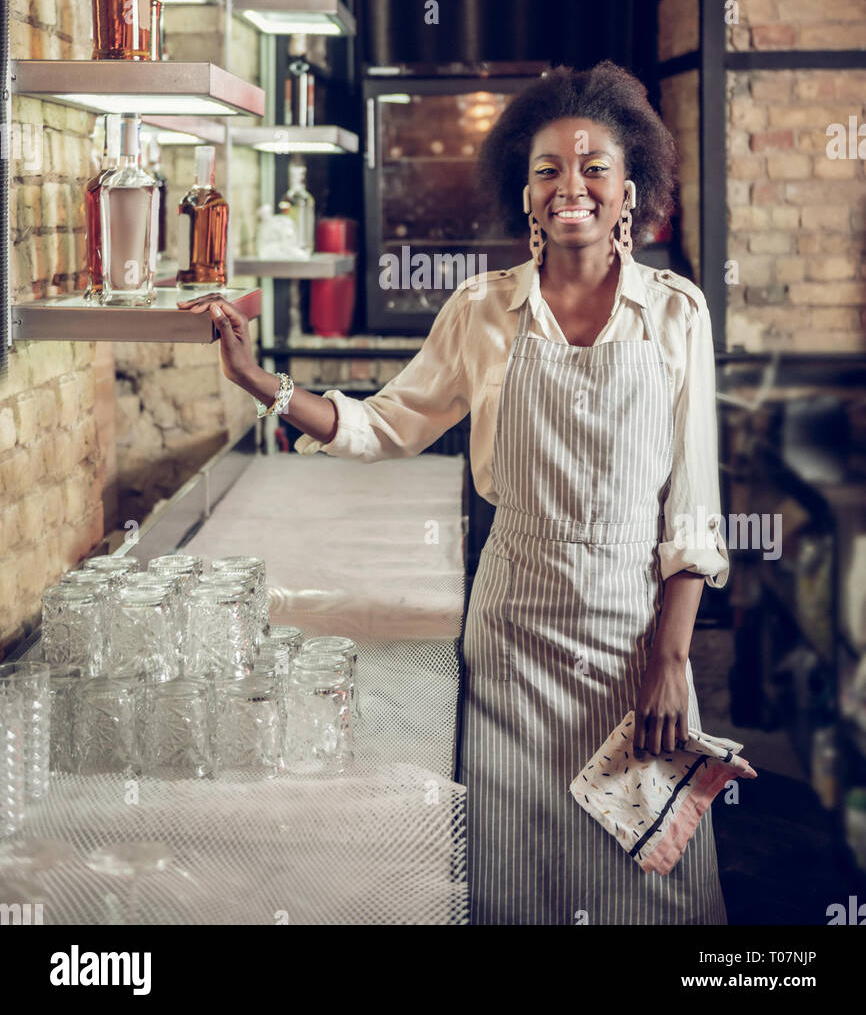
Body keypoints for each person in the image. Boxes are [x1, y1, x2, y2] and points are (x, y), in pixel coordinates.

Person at [178, 60, 730, 925]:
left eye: (594, 169)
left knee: (645, 890)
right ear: (524, 192)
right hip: (511, 640)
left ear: (632, 191)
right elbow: (385, 426)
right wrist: (264, 385)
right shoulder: (481, 311)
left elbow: (693, 512)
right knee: (516, 881)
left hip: (634, 637)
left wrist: (670, 659)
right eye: (547, 169)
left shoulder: (676, 314)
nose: (570, 187)